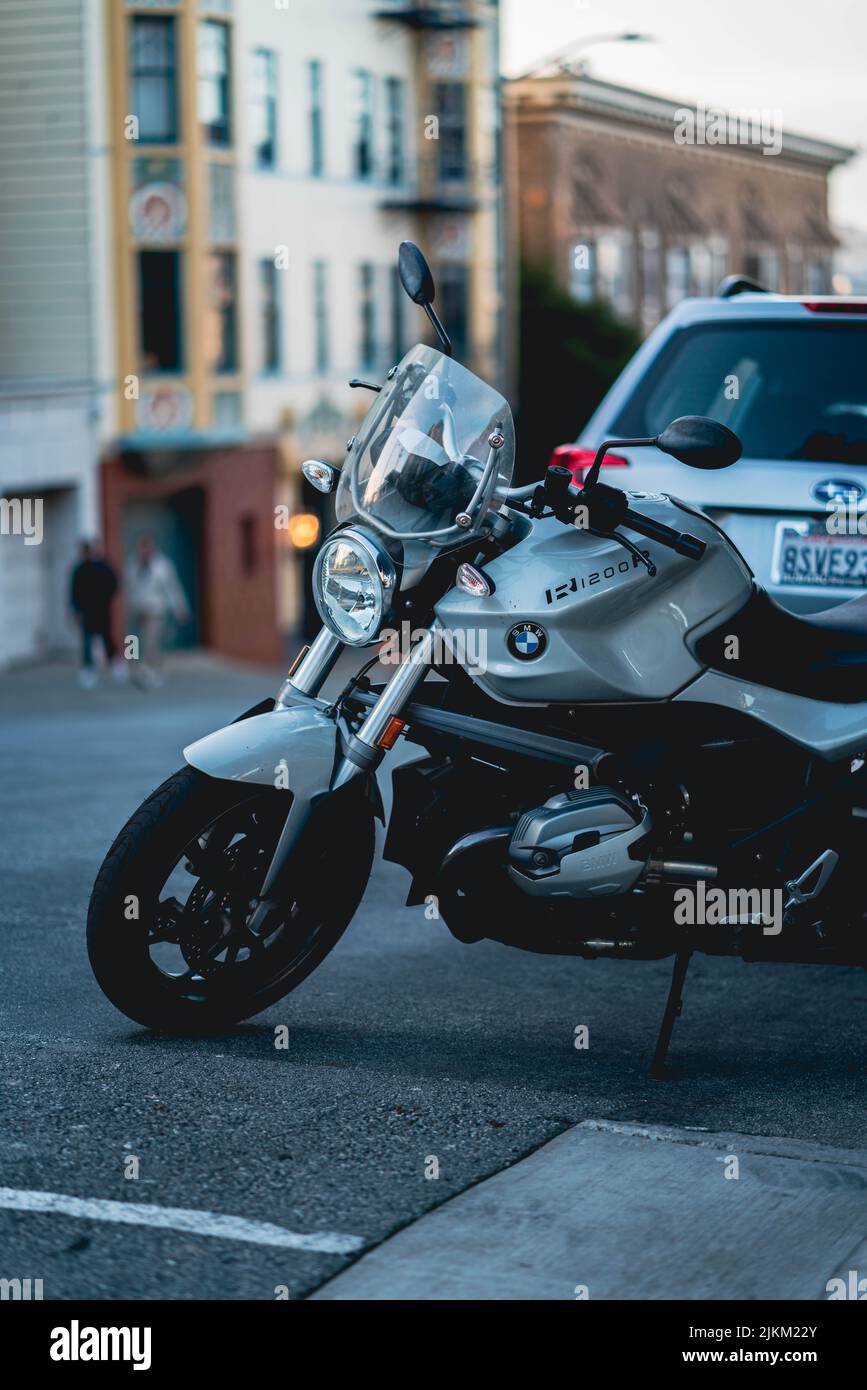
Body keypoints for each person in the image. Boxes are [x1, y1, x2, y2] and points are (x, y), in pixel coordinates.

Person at [126, 535, 190, 688]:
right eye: (142, 548)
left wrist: (180, 608)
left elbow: (172, 588)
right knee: (132, 641)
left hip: (156, 609)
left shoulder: (163, 565)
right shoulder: (133, 564)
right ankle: (134, 667)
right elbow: (129, 587)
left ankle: (152, 672)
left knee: (151, 641)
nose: (145, 551)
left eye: (148, 548)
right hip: (138, 610)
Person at [69, 541, 122, 689]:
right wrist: (75, 610)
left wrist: (107, 598)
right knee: (87, 643)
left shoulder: (103, 566)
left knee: (108, 639)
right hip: (87, 612)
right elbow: (73, 592)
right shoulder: (79, 570)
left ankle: (116, 665)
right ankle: (88, 670)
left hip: (102, 610)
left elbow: (115, 583)